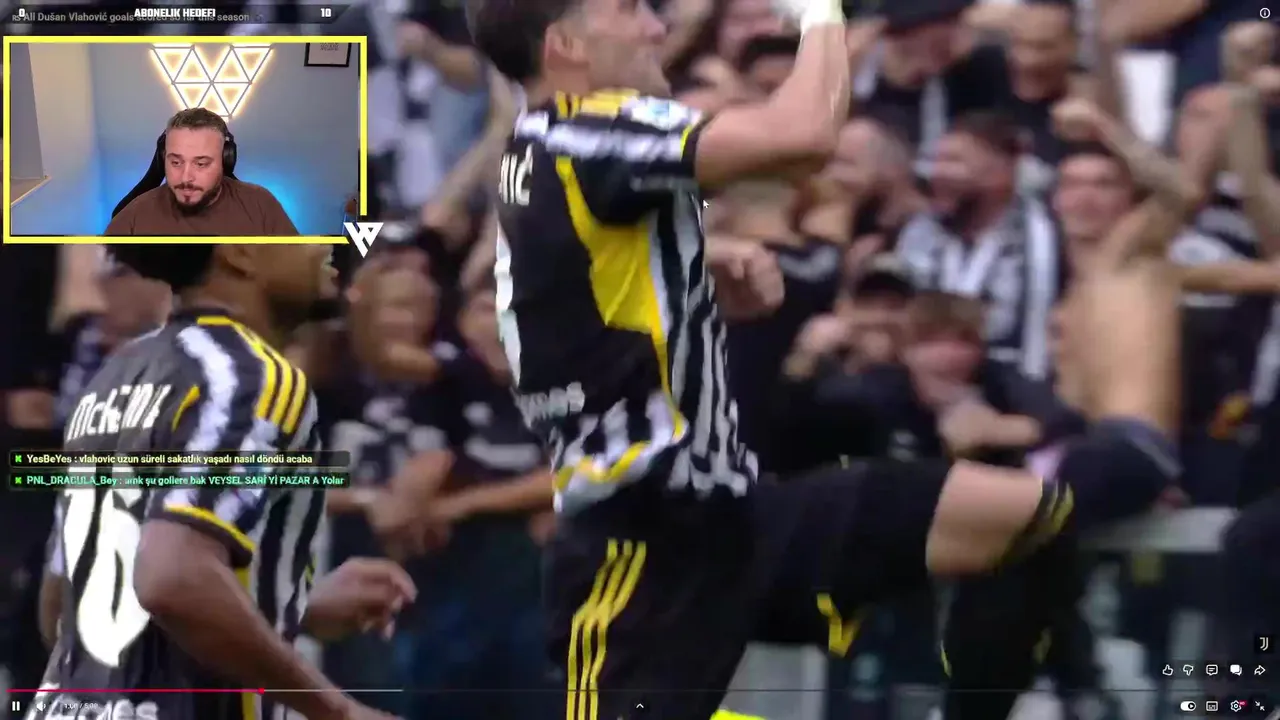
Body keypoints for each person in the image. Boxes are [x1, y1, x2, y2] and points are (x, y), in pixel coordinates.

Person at [466, 0, 1184, 719]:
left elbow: (566, 277)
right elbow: (803, 136)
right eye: (629, 11)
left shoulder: (540, 148)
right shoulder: (590, 128)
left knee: (1029, 518)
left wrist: (701, 263)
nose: (657, 28)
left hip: (737, 513)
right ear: (566, 46)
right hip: (641, 545)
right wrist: (819, 12)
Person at [27, 239, 412, 720]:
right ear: (240, 251)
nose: (330, 239)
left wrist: (286, 603)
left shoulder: (117, 375)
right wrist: (340, 712)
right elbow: (173, 577)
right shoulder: (252, 377)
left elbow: (63, 607)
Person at [106, 109, 298, 237]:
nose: (185, 177)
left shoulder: (261, 205)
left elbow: (299, 273)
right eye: (176, 162)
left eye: (201, 164)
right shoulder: (135, 216)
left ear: (225, 160)